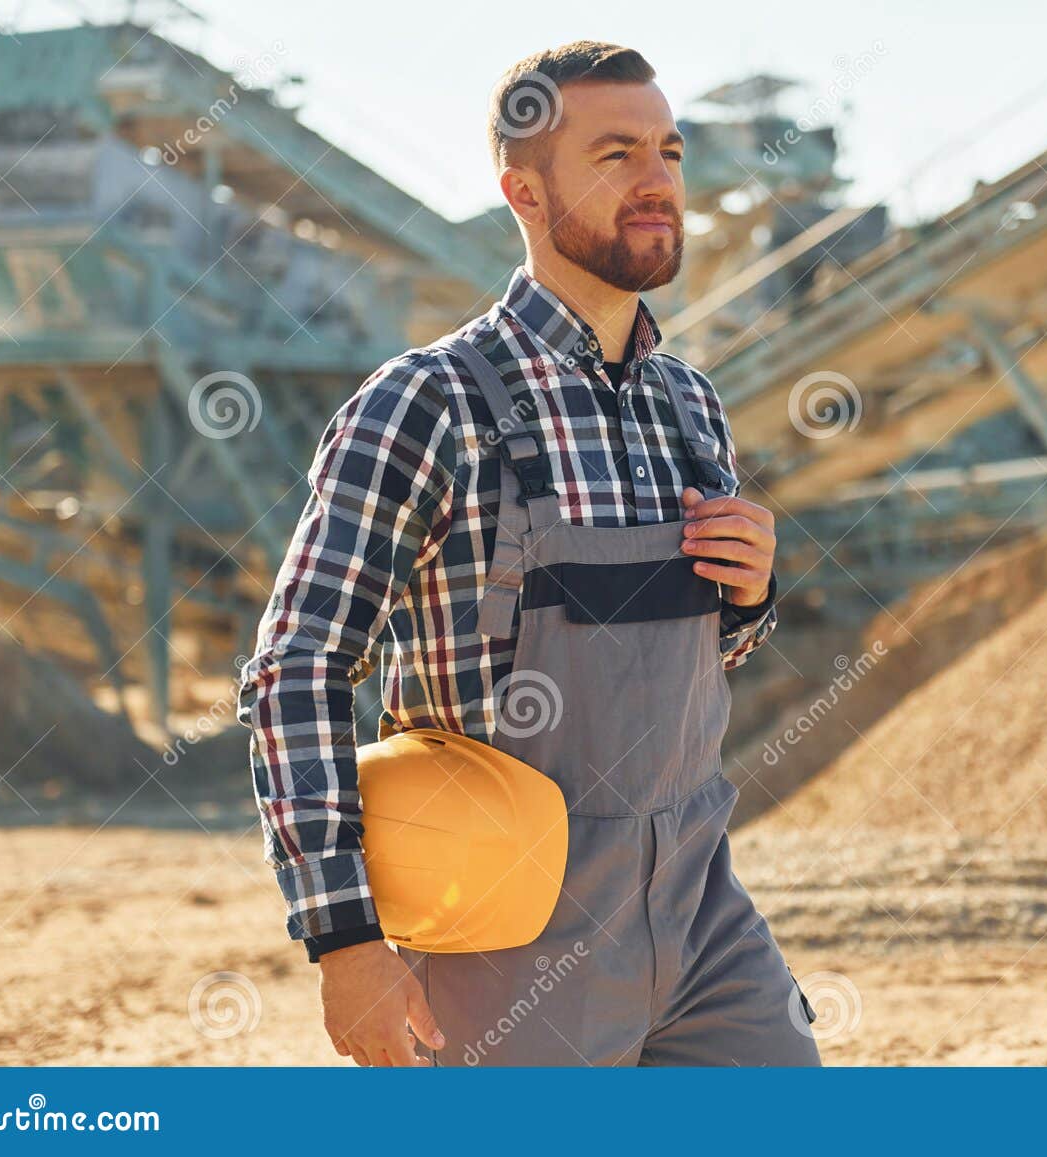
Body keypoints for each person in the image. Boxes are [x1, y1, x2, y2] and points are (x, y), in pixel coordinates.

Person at [236, 40, 819, 1067]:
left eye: (670, 152)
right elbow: (297, 668)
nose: (657, 181)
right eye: (615, 154)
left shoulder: (687, 406)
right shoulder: (429, 403)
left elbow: (693, 661)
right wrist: (343, 937)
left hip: (697, 914)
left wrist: (749, 593)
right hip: (507, 932)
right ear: (524, 192)